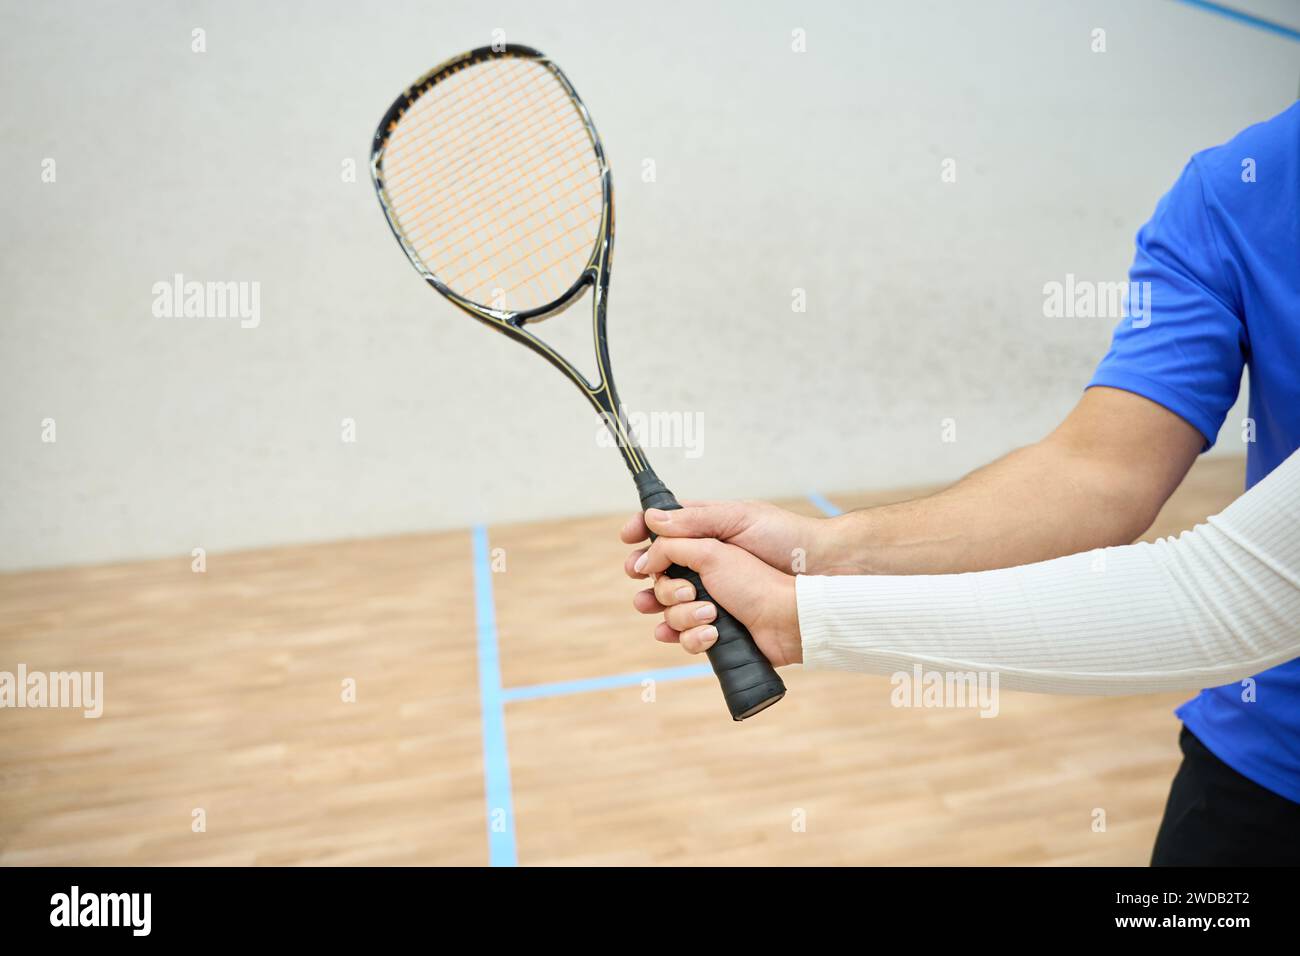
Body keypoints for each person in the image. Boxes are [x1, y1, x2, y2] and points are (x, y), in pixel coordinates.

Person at [620, 102, 1300, 865]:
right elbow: (1098, 475)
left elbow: (1240, 597)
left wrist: (799, 615)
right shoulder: (1229, 192)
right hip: (1258, 765)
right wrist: (824, 549)